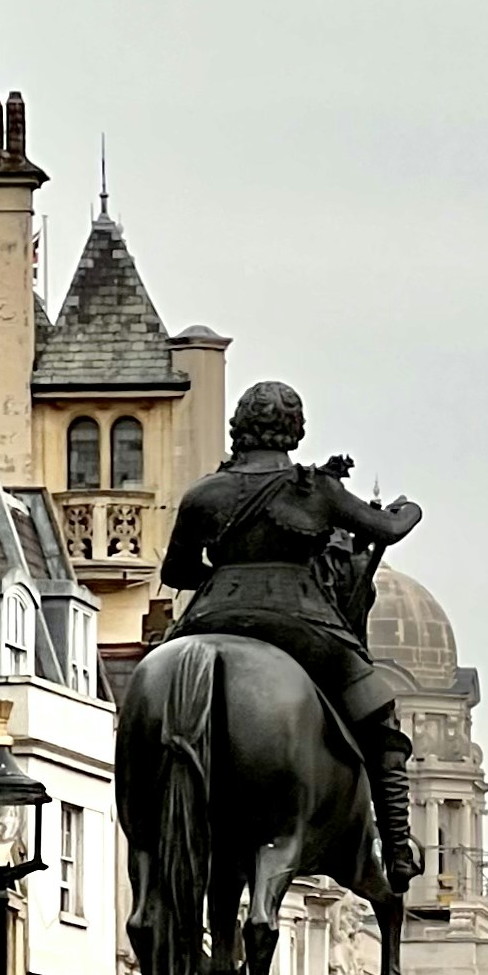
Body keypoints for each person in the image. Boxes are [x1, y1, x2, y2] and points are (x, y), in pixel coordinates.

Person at [157, 378, 426, 892]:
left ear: (240, 425)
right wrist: (410, 510)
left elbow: (176, 571)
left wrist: (227, 572)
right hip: (300, 623)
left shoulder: (205, 493)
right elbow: (385, 531)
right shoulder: (315, 489)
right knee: (378, 716)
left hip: (210, 618)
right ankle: (396, 846)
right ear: (294, 430)